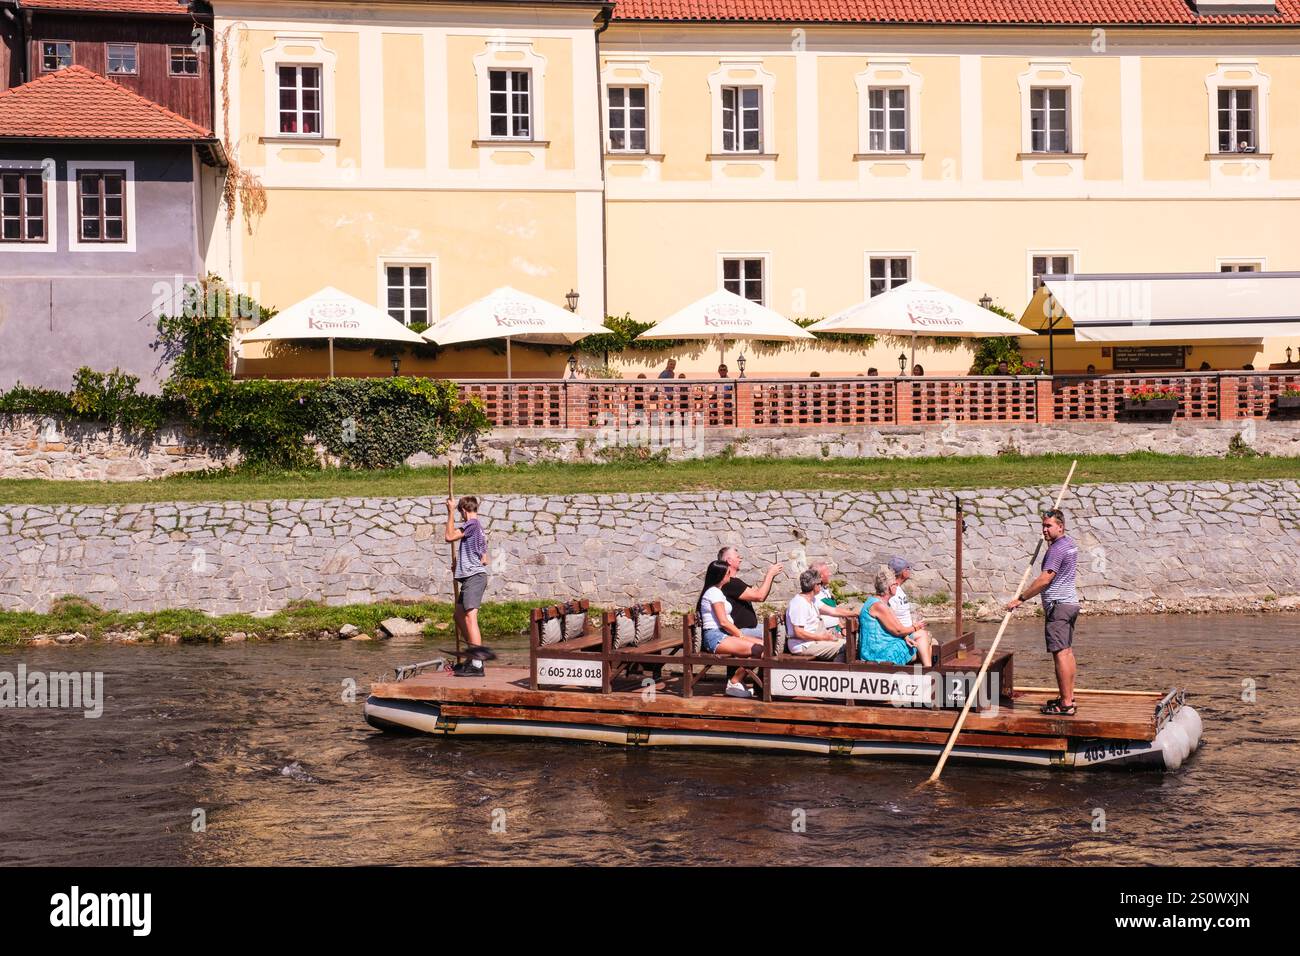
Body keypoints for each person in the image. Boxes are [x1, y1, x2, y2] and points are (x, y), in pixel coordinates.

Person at [1005, 508, 1080, 715]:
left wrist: (1020, 599)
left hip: (1058, 606)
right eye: (1043, 525)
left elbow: (1045, 579)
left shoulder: (1056, 550)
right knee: (1067, 651)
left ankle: (1065, 705)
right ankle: (1069, 697)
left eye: (1049, 526)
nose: (1044, 530)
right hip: (1071, 604)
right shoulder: (1069, 544)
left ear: (1061, 526)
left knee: (1060, 654)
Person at [697, 560, 764, 698]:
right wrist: (741, 635)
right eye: (728, 572)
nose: (730, 575)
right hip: (716, 637)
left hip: (723, 635)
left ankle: (742, 682)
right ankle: (735, 682)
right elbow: (723, 622)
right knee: (758, 649)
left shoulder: (718, 592)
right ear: (721, 575)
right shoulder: (714, 593)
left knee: (764, 646)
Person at [444, 495, 495, 676]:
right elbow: (483, 557)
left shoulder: (472, 524)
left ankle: (477, 664)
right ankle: (472, 655)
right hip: (470, 576)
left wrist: (450, 512)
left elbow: (449, 536)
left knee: (469, 618)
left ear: (464, 511)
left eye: (460, 514)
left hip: (474, 578)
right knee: (458, 615)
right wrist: (460, 563)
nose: (461, 517)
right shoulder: (478, 528)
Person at [859, 566, 932, 666]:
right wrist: (915, 627)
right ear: (890, 587)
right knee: (922, 635)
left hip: (884, 646)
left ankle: (927, 672)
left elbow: (896, 626)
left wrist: (906, 637)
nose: (897, 586)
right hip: (878, 654)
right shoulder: (878, 605)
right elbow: (898, 631)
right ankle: (929, 673)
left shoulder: (883, 603)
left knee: (923, 638)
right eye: (895, 584)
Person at [717, 546, 783, 640]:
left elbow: (758, 593)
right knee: (779, 635)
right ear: (729, 561)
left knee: (781, 630)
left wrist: (771, 575)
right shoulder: (729, 583)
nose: (740, 559)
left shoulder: (734, 582)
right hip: (741, 631)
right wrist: (770, 574)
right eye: (737, 557)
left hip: (751, 628)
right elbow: (760, 596)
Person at [785, 569, 847, 661]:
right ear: (815, 586)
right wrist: (823, 638)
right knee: (846, 647)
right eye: (820, 583)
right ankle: (835, 672)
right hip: (803, 645)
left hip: (812, 642)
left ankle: (835, 670)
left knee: (848, 644)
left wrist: (855, 613)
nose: (821, 586)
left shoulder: (812, 600)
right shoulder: (799, 603)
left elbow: (832, 611)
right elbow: (798, 632)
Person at [886, 556, 931, 647]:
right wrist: (910, 630)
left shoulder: (898, 589)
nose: (910, 571)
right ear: (903, 572)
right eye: (908, 568)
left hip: (906, 631)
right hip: (901, 634)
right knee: (926, 637)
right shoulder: (892, 592)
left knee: (928, 638)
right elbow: (891, 617)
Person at [811, 561, 857, 637]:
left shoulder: (824, 591)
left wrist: (842, 627)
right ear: (820, 576)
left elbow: (833, 613)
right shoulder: (815, 595)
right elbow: (832, 612)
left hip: (835, 630)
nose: (829, 574)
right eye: (827, 572)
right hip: (826, 633)